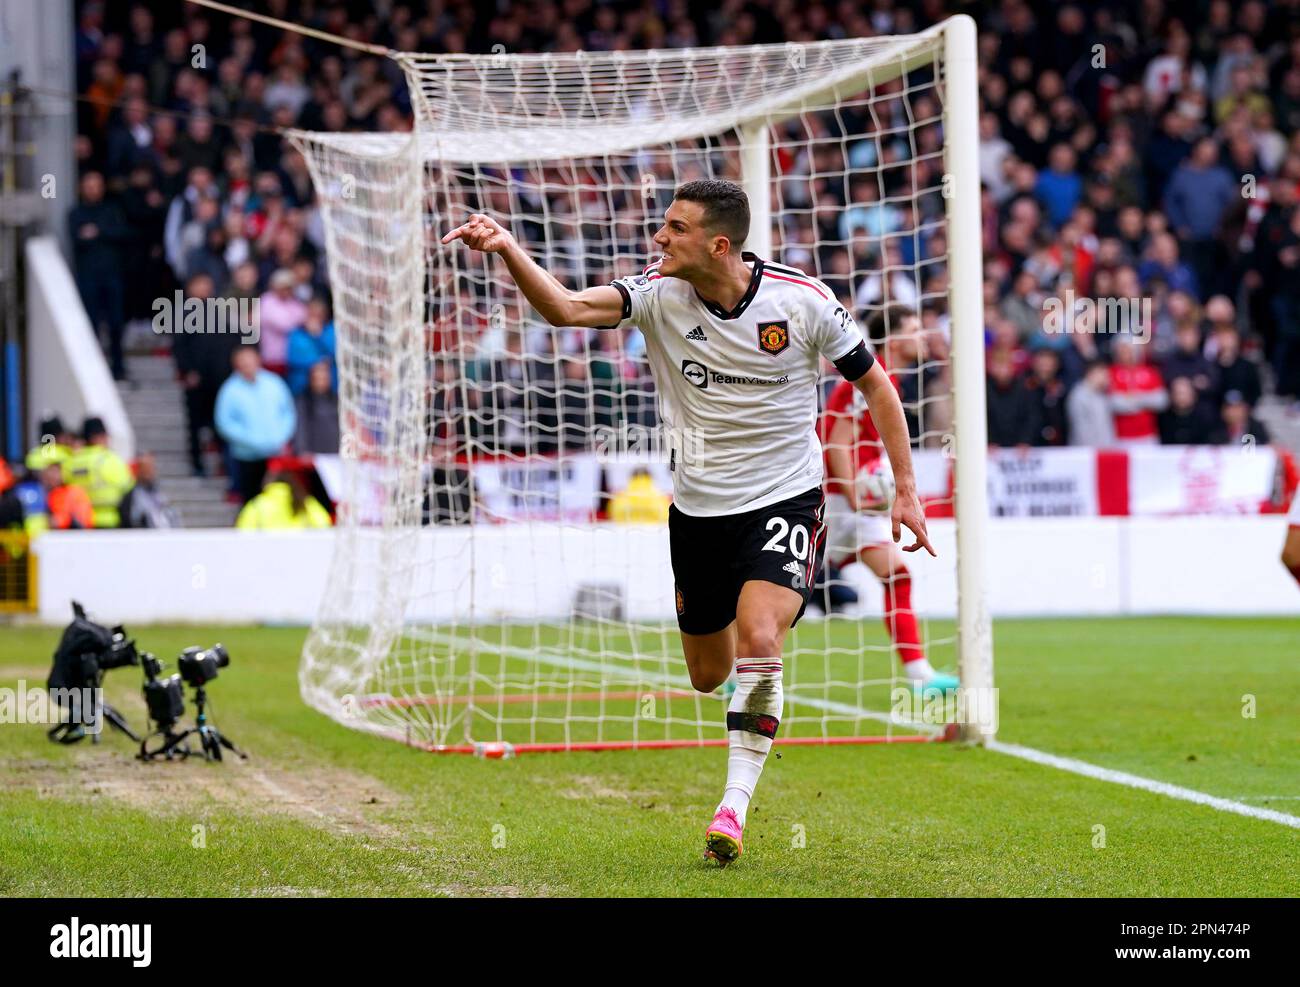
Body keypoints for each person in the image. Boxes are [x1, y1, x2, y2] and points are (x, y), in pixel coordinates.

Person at [443, 179, 933, 867]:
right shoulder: (657, 294)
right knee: (709, 674)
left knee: (763, 635)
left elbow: (875, 382)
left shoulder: (804, 302)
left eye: (673, 228)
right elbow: (563, 307)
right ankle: (752, 693)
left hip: (785, 498)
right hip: (699, 512)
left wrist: (906, 487)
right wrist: (507, 248)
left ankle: (732, 804)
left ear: (718, 243)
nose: (659, 238)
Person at [818, 306, 957, 694]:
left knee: (892, 577)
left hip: (849, 504)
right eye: (914, 328)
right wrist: (852, 492)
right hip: (839, 505)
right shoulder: (863, 380)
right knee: (894, 577)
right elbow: (836, 440)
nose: (922, 335)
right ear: (893, 338)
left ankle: (919, 676)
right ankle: (919, 676)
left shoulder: (884, 379)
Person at [215, 346, 297, 502]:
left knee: (278, 499)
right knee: (251, 499)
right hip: (247, 456)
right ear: (236, 365)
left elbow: (288, 412)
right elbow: (224, 423)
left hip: (276, 453)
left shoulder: (274, 383)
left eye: (250, 361)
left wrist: (281, 437)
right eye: (243, 363)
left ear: (258, 360)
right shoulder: (230, 390)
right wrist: (250, 440)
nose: (248, 366)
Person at [62, 417, 134, 529]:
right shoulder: (109, 459)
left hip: (79, 522)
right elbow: (128, 487)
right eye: (105, 436)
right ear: (97, 437)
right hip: (108, 521)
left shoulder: (70, 462)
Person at [235, 471, 332, 530]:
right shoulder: (305, 501)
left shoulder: (258, 503)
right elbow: (323, 523)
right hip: (299, 550)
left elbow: (244, 528)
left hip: (266, 552)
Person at [117, 452, 179, 528]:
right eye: (146, 467)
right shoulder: (131, 497)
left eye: (152, 467)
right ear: (139, 470)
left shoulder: (158, 494)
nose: (150, 471)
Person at [293, 360, 340, 455]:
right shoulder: (302, 401)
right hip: (312, 459)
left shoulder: (337, 401)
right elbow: (300, 429)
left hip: (335, 458)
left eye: (325, 372)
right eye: (318, 371)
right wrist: (302, 451)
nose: (322, 376)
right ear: (311, 376)